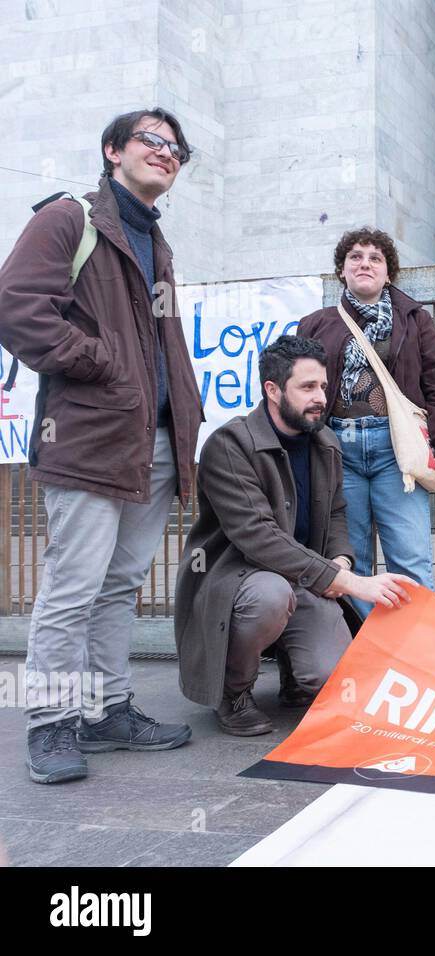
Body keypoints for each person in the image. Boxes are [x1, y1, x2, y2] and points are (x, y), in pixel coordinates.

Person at [0, 108, 205, 785]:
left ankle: (109, 709)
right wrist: (97, 360)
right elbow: (17, 306)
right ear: (113, 150)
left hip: (151, 442)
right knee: (71, 587)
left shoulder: (157, 241)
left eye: (177, 148)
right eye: (152, 140)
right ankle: (52, 722)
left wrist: (185, 415)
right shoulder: (70, 219)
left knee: (118, 587)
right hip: (89, 436)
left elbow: (164, 343)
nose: (167, 153)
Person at [175, 337, 417, 736]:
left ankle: (295, 673)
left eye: (322, 386)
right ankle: (232, 693)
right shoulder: (230, 445)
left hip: (305, 578)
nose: (320, 397)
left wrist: (340, 561)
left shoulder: (325, 442)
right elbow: (259, 538)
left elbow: (338, 513)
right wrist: (347, 581)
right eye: (307, 387)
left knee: (335, 682)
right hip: (240, 579)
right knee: (270, 596)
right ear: (272, 390)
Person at [297, 228, 435, 617]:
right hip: (337, 449)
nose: (365, 263)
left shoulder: (414, 319)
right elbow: (298, 389)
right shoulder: (316, 323)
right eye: (355, 256)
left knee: (410, 559)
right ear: (342, 270)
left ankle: (414, 655)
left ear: (389, 273)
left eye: (375, 258)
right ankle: (363, 654)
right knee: (350, 562)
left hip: (397, 453)